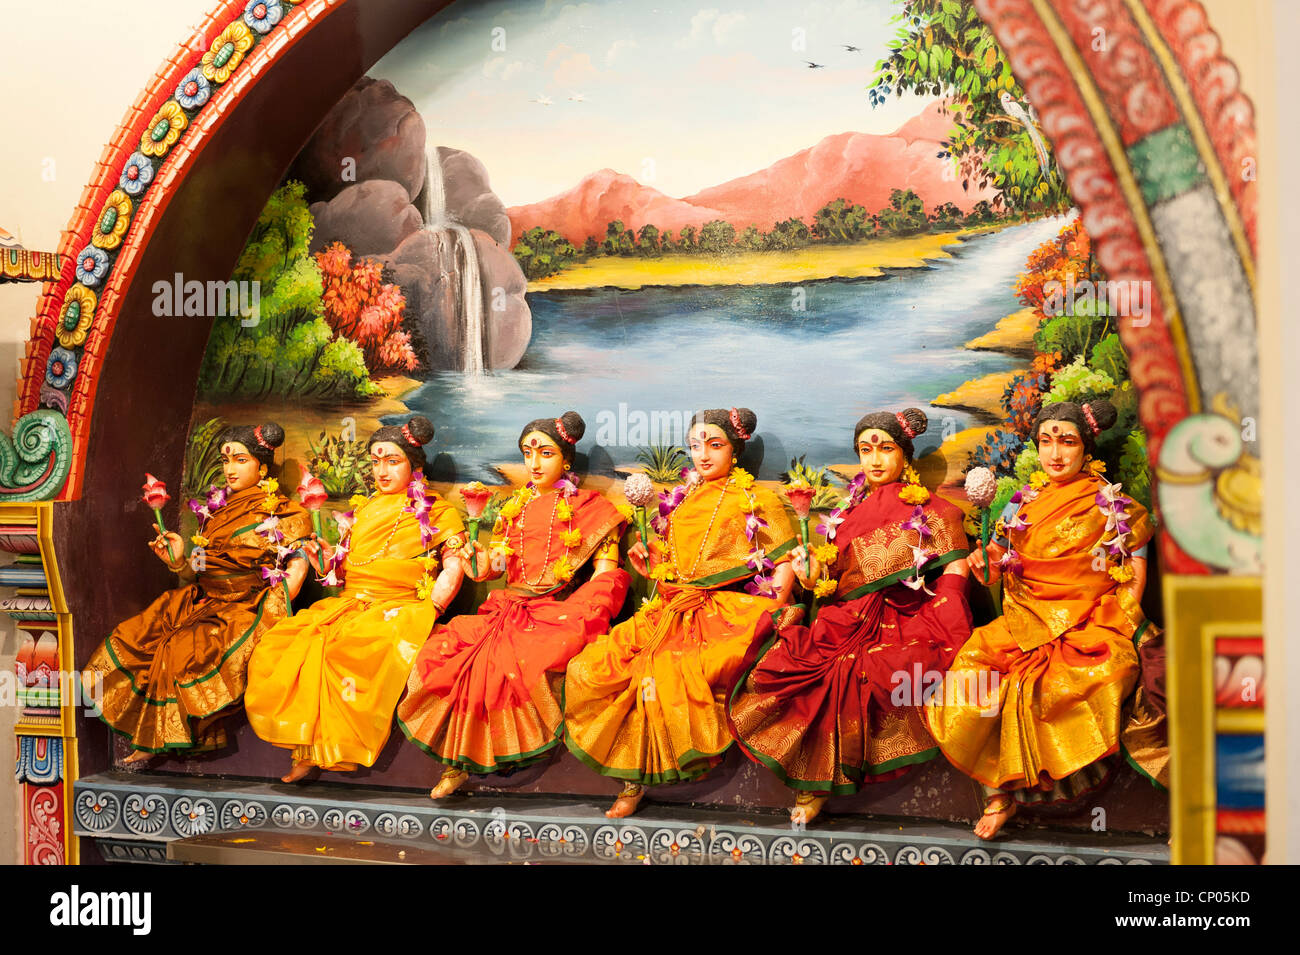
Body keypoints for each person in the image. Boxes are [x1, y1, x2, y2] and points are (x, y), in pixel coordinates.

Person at [728, 409, 972, 825]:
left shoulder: (934, 509)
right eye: (865, 450)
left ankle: (821, 784)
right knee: (800, 663)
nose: (875, 459)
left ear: (905, 454)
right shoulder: (845, 514)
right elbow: (830, 579)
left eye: (886, 449)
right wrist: (810, 575)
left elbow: (955, 566)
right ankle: (812, 781)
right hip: (846, 615)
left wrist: (948, 610)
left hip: (905, 613)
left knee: (863, 671)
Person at [925, 399, 1156, 839]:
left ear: (1086, 449)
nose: (1055, 453)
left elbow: (1133, 583)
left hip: (1092, 623)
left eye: (1067, 441)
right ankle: (997, 795)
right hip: (1025, 621)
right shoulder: (1019, 508)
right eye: (1046, 441)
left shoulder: (1114, 507)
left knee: (1080, 679)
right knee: (970, 671)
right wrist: (984, 567)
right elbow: (998, 572)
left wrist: (1111, 624)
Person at [563, 407, 797, 818]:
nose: (702, 455)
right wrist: (648, 562)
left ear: (735, 450)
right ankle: (630, 778)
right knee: (593, 666)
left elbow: (784, 559)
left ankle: (641, 783)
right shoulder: (683, 498)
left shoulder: (756, 499)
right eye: (694, 446)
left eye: (714, 445)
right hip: (672, 606)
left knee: (665, 670)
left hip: (726, 611)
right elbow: (674, 566)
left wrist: (774, 607)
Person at [397, 412, 630, 798]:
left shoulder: (591, 508)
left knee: (513, 663)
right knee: (452, 656)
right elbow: (498, 567)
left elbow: (605, 576)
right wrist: (478, 560)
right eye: (527, 453)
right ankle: (457, 763)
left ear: (566, 459)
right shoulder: (513, 510)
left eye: (545, 453)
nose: (534, 463)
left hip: (555, 610)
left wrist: (582, 610)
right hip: (507, 606)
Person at [244, 416, 466, 782]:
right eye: (376, 461)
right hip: (350, 602)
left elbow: (453, 566)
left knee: (349, 648)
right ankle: (306, 746)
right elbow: (345, 570)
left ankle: (331, 747)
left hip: (401, 607)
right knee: (288, 643)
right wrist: (325, 560)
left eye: (392, 461)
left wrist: (432, 609)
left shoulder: (437, 510)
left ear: (415, 466)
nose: (381, 470)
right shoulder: (364, 509)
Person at [83, 423, 311, 761]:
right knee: (135, 638)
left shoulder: (285, 514)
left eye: (240, 460)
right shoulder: (215, 513)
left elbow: (297, 567)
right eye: (225, 460)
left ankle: (152, 743)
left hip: (246, 607)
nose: (230, 469)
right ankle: (151, 735)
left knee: (179, 652)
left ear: (262, 467)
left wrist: (269, 613)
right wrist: (178, 561)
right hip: (202, 600)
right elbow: (198, 569)